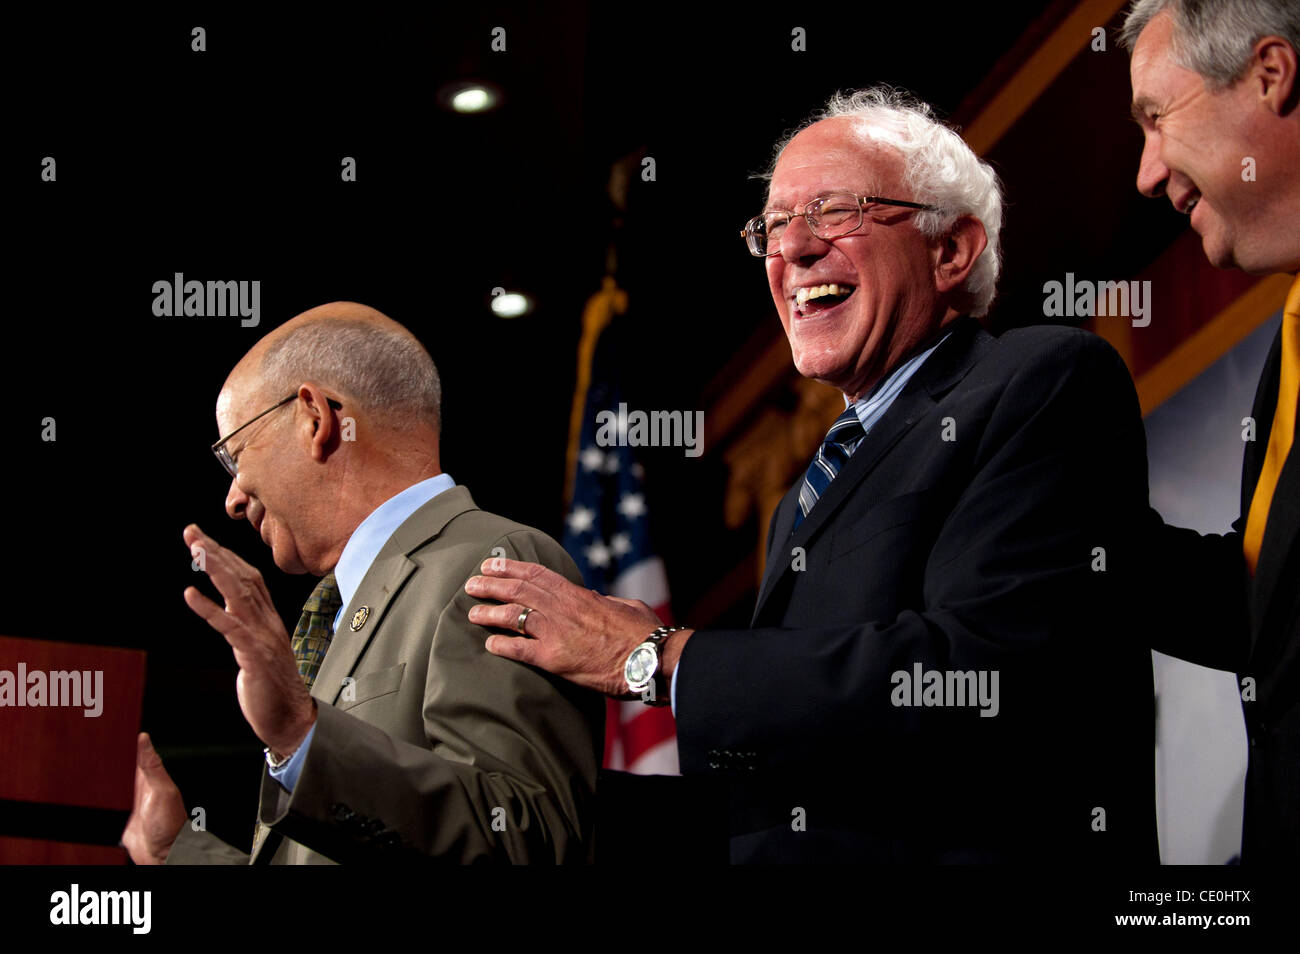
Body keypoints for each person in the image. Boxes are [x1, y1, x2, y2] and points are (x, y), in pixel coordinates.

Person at [465, 88, 1160, 863]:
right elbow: (792, 793)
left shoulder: (1044, 381)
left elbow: (981, 676)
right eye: (772, 226)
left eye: (834, 212)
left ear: (952, 250)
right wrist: (490, 811)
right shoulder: (802, 495)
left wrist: (656, 657)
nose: (790, 251)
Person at [120, 302, 603, 864]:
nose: (232, 499)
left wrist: (304, 734)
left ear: (315, 417)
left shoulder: (490, 561)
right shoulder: (335, 611)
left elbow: (527, 842)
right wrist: (175, 851)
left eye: (234, 457)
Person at [1122, 0, 1300, 863]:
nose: (1147, 174)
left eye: (1156, 118)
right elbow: (1267, 611)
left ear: (1271, 74)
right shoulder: (1289, 345)